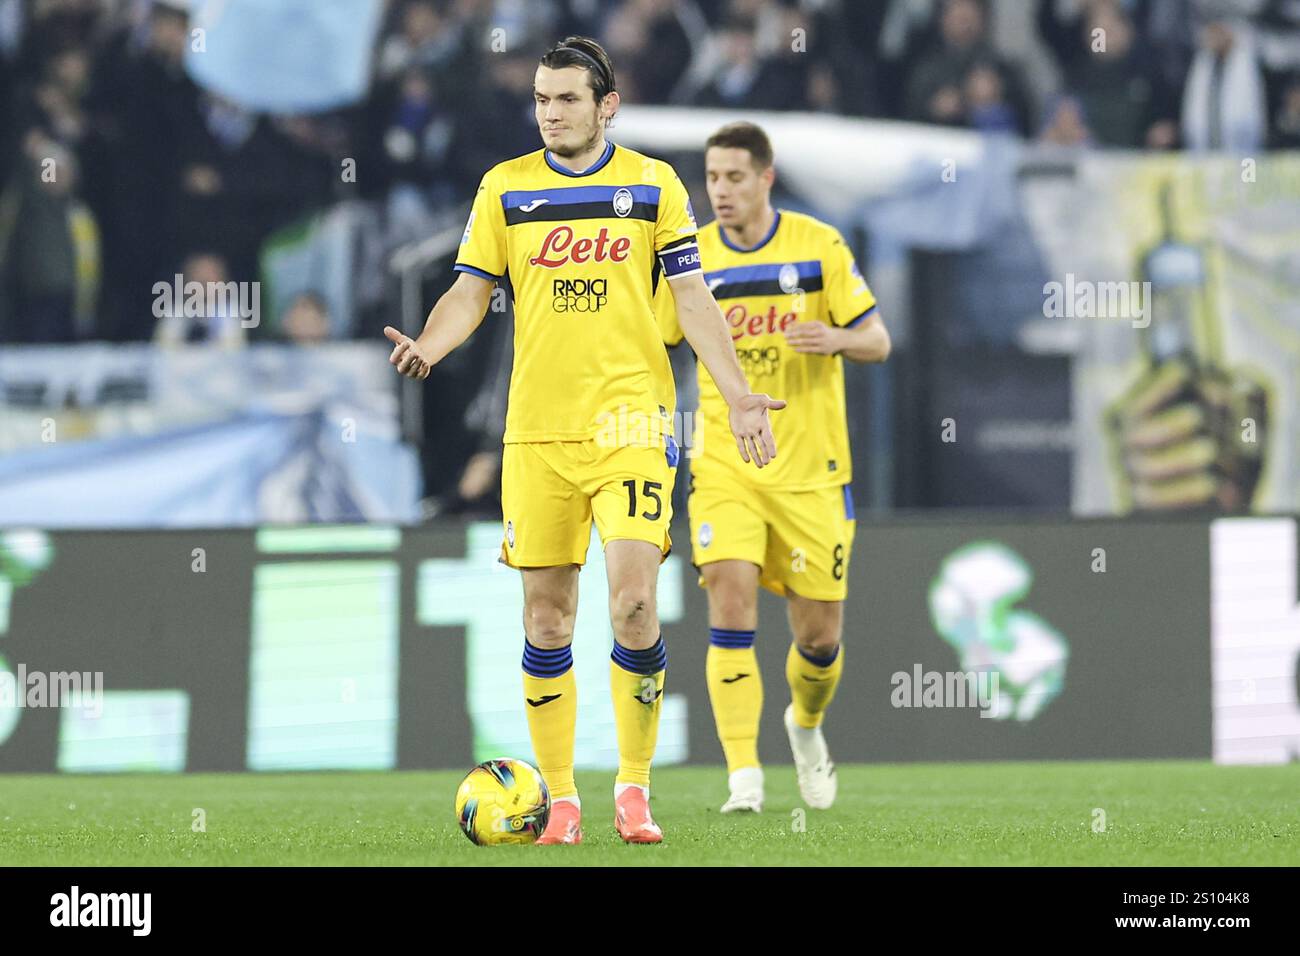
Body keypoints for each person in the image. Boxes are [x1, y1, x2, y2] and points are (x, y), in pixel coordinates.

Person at [382, 37, 783, 844]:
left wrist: (737, 394)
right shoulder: (506, 189)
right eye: (540, 99)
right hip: (536, 433)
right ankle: (561, 800)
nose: (550, 113)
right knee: (548, 620)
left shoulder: (653, 185)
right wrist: (431, 343)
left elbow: (695, 300)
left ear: (607, 106)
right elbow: (469, 293)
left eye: (566, 99)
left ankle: (632, 789)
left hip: (633, 422)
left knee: (634, 602)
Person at [657, 121, 890, 813]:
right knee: (729, 599)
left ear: (766, 177)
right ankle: (743, 779)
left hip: (812, 472)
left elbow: (879, 340)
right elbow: (654, 340)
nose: (719, 191)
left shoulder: (818, 247)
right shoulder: (690, 259)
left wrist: (839, 337)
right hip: (725, 464)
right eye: (711, 178)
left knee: (819, 639)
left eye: (733, 177)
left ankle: (805, 726)